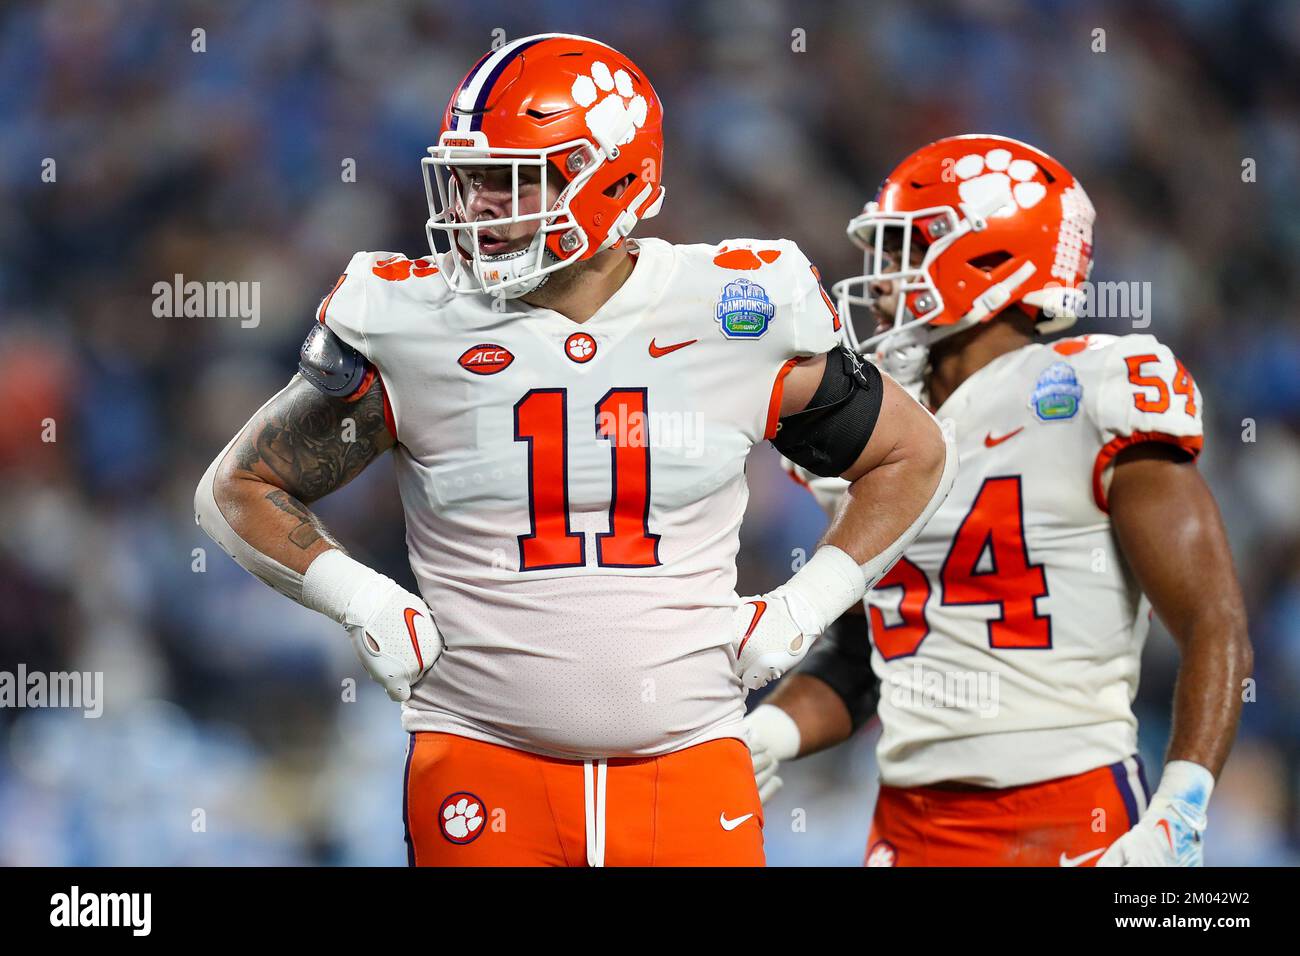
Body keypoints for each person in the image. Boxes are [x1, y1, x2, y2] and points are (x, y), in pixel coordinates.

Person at [193, 34, 953, 867]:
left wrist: (803, 607)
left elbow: (908, 455)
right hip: (480, 763)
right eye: (468, 179)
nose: (476, 208)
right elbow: (241, 486)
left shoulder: (738, 309)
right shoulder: (413, 322)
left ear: (612, 179)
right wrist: (365, 603)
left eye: (507, 180)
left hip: (691, 761)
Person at [745, 134, 1252, 867]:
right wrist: (770, 734)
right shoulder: (872, 428)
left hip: (1069, 811)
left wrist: (1183, 804)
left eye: (903, 249)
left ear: (986, 254)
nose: (881, 279)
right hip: (907, 821)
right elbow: (864, 654)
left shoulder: (1094, 392)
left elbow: (1214, 619)